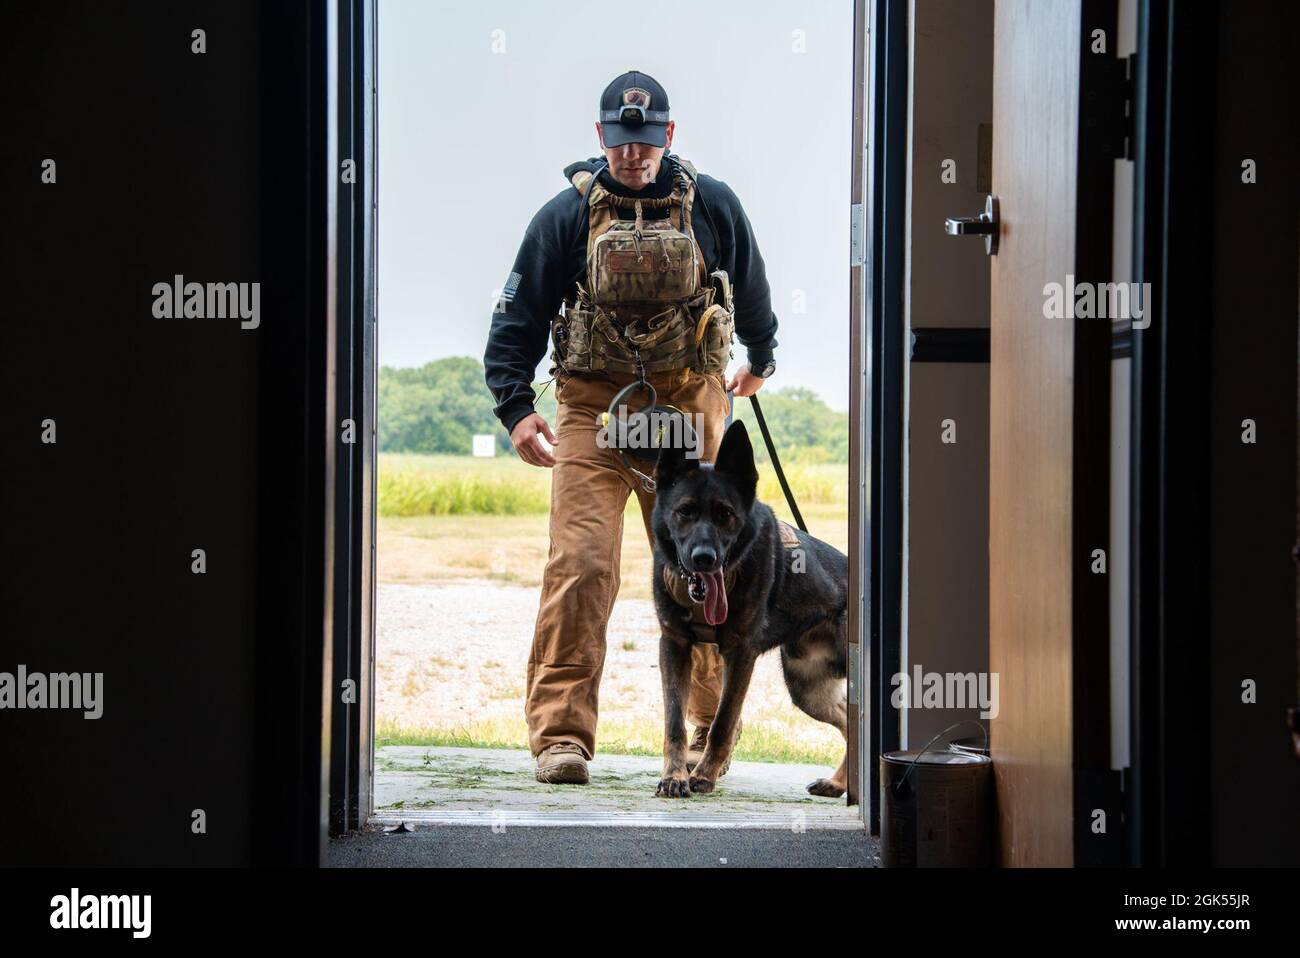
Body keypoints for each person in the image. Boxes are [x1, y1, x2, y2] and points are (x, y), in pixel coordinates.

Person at [484, 70, 779, 784]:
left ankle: (708, 726)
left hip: (685, 407)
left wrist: (760, 361)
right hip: (594, 410)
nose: (633, 155)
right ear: (602, 138)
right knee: (581, 565)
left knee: (704, 567)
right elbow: (514, 319)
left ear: (667, 136)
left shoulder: (712, 206)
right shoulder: (564, 216)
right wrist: (517, 409)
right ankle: (561, 737)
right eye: (621, 142)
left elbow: (755, 288)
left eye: (646, 142)